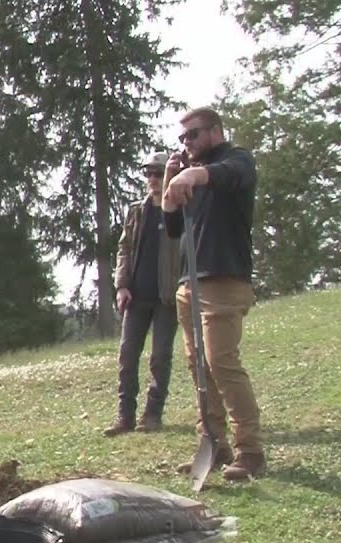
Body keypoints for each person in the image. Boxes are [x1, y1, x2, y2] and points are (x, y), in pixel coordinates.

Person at [163, 106, 265, 481]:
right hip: (189, 283)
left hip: (224, 278)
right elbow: (173, 226)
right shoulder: (191, 176)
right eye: (182, 137)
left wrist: (193, 173)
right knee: (199, 367)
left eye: (193, 134)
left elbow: (229, 176)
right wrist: (171, 183)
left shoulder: (236, 160)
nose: (187, 143)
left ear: (216, 131)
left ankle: (250, 450)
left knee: (221, 362)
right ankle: (213, 442)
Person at [104, 152, 182, 437]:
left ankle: (152, 414)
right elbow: (124, 249)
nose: (152, 180)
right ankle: (125, 416)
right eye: (148, 173)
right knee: (127, 356)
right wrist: (121, 285)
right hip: (136, 295)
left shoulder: (181, 209)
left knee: (160, 356)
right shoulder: (137, 210)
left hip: (167, 296)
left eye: (158, 173)